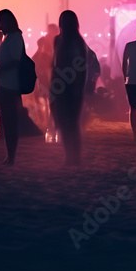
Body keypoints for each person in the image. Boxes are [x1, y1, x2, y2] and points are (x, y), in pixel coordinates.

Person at [50, 10, 87, 166]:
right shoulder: (61, 40)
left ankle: (74, 156)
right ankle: (70, 155)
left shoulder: (76, 41)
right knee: (64, 121)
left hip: (70, 85)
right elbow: (54, 63)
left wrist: (78, 86)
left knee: (71, 122)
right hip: (61, 84)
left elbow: (81, 66)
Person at [0, 9, 24, 165]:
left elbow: (16, 61)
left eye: (3, 20)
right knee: (6, 121)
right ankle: (9, 155)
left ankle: (11, 156)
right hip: (4, 84)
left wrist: (0, 69)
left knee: (10, 121)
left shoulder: (15, 37)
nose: (1, 23)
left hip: (10, 85)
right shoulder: (9, 38)